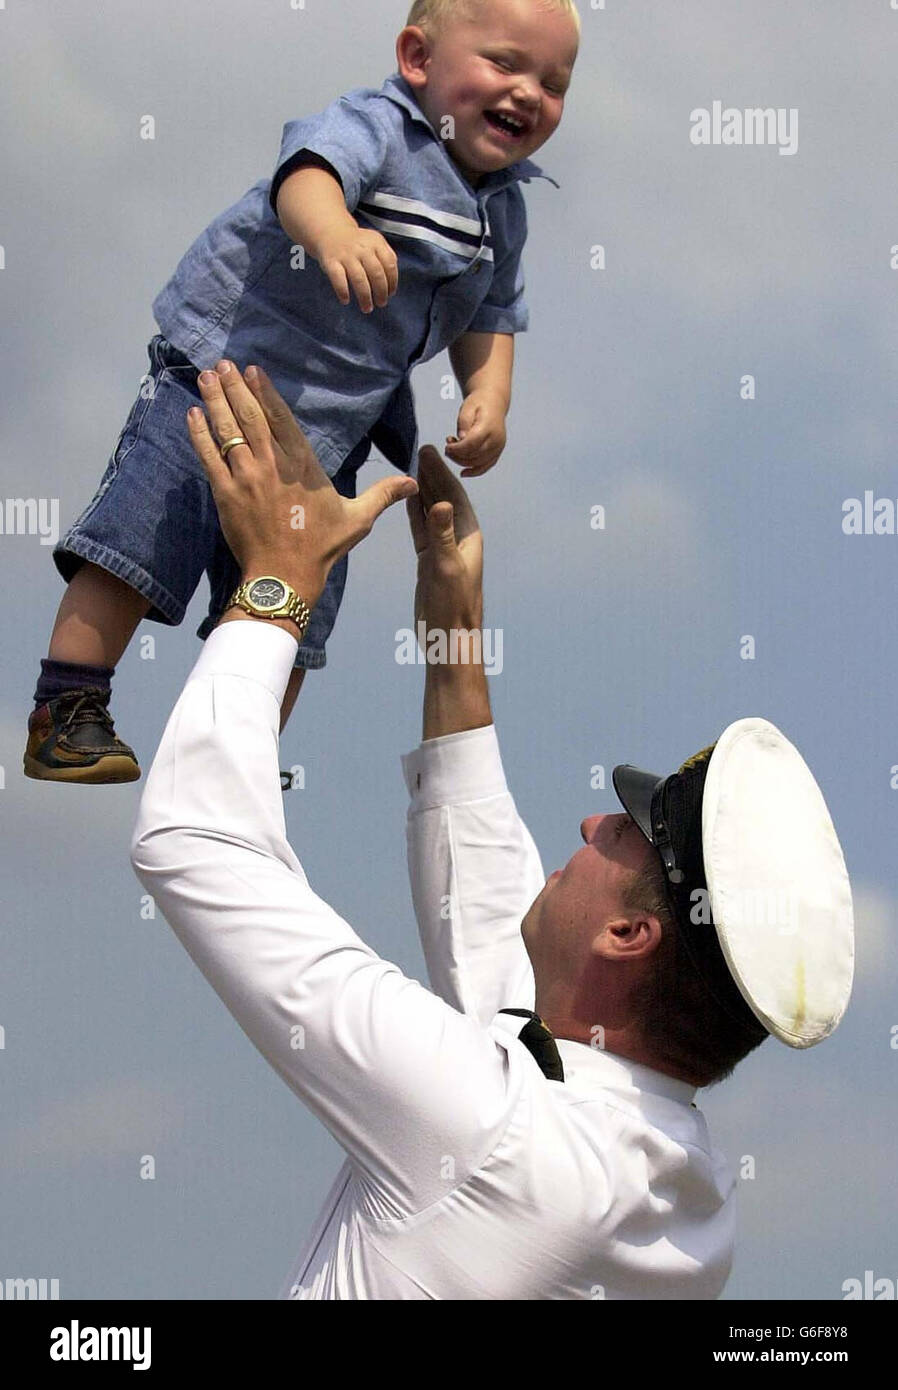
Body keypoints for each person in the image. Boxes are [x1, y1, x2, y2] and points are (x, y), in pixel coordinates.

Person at [130, 361, 854, 1299]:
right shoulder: (684, 1194)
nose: (592, 821)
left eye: (620, 835)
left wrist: (277, 578)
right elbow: (513, 986)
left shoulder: (491, 1138)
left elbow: (193, 839)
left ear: (630, 934)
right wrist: (455, 639)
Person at [25, 0, 578, 784]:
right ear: (418, 58)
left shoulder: (503, 209)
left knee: (298, 607)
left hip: (324, 439)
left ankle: (240, 752)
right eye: (505, 64)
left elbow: (492, 309)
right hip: (219, 379)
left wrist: (489, 394)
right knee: (138, 541)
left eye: (554, 83)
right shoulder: (378, 127)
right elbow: (306, 177)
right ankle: (70, 706)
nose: (529, 92)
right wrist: (335, 233)